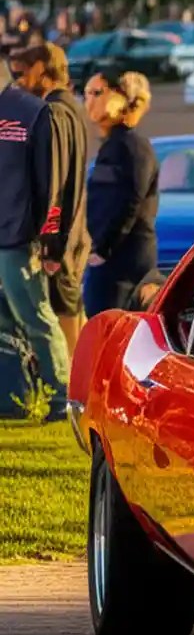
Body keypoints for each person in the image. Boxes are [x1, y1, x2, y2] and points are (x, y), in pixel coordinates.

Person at [10, 44, 88, 355]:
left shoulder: (52, 112)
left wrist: (51, 245)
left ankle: (68, 382)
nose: (19, 82)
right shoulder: (70, 107)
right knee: (71, 318)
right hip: (73, 236)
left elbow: (53, 183)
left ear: (42, 70)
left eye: (23, 73)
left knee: (59, 325)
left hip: (59, 243)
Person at [0, 59, 66, 416]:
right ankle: (15, 396)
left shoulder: (31, 112)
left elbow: (48, 183)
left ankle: (60, 397)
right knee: (5, 325)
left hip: (18, 240)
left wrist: (47, 240)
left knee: (36, 320)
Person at [81, 70, 157, 320]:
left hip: (123, 263)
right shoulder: (113, 145)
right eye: (86, 94)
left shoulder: (132, 146)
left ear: (119, 98)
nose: (88, 101)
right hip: (110, 259)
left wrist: (103, 249)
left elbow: (129, 201)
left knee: (108, 327)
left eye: (97, 93)